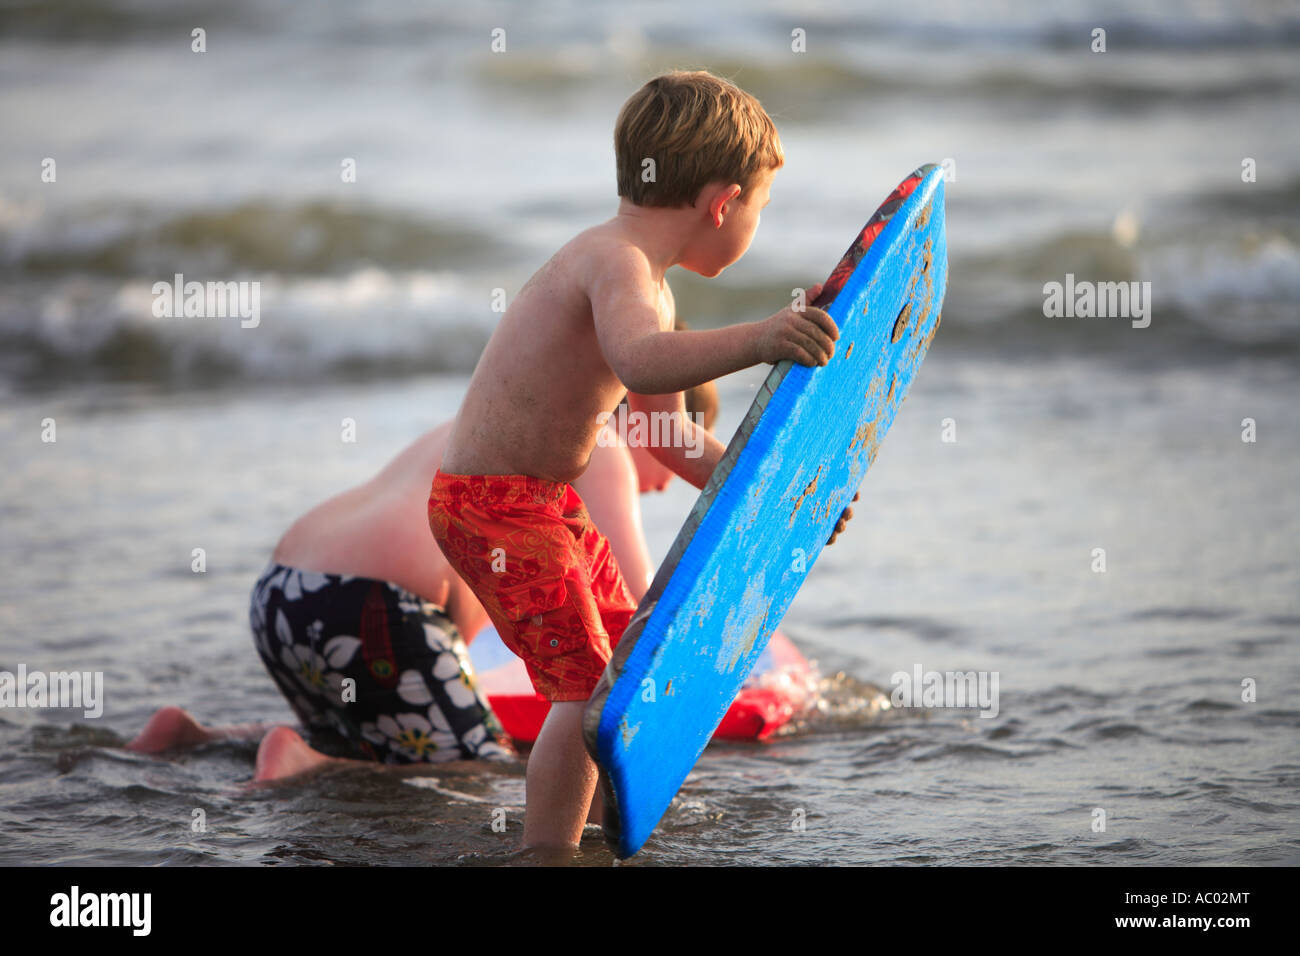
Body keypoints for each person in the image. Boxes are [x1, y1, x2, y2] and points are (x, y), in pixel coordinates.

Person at [427, 70, 848, 853]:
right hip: (493, 505)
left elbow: (670, 440)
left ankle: (594, 823)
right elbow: (644, 360)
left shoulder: (645, 284)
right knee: (583, 684)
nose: (755, 222)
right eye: (761, 205)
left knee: (623, 657)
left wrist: (790, 494)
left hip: (541, 503)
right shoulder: (616, 264)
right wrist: (760, 338)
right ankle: (548, 851)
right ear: (722, 202)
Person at [127, 380, 724, 787]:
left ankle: (199, 738)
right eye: (684, 450)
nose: (671, 484)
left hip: (286, 594)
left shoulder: (504, 418)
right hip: (375, 606)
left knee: (366, 733)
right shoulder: (605, 446)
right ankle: (305, 765)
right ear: (654, 424)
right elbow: (639, 614)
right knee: (481, 767)